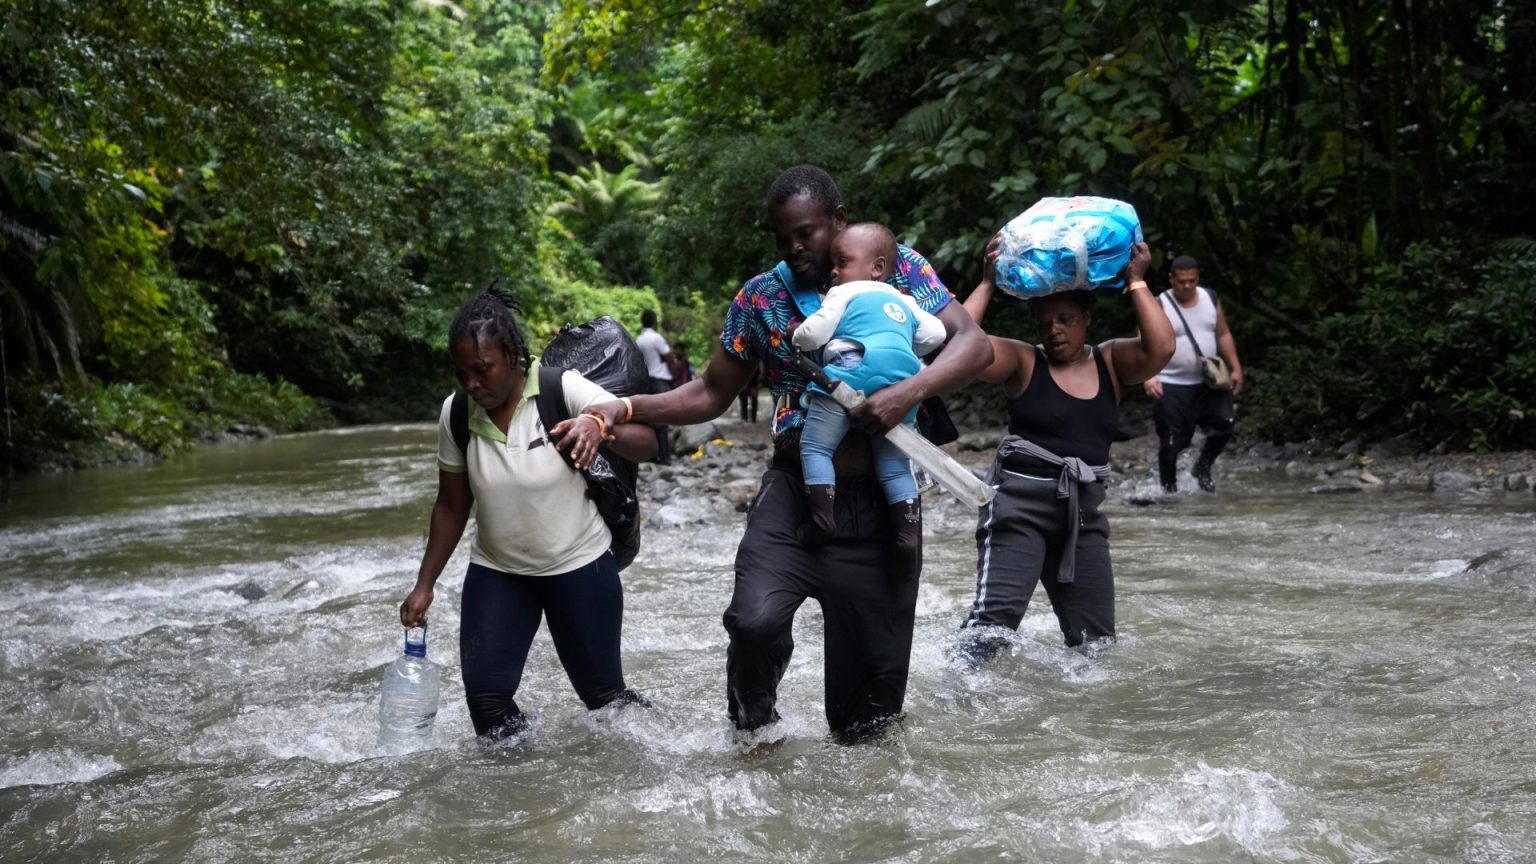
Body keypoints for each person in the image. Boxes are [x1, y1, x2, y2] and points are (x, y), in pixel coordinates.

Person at [582, 165, 992, 741]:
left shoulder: (897, 268)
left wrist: (908, 393)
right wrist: (621, 409)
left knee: (867, 725)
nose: (794, 248)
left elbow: (973, 346)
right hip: (796, 490)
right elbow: (709, 392)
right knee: (752, 621)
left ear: (839, 221)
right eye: (782, 238)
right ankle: (756, 733)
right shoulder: (761, 296)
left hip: (884, 504)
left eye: (806, 233)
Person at [398, 289, 656, 741]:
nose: (472, 384)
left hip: (579, 564)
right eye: (462, 374)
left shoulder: (562, 388)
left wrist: (599, 427)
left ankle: (665, 746)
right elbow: (452, 505)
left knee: (604, 698)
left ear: (515, 356)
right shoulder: (457, 413)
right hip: (499, 571)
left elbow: (649, 441)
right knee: (487, 702)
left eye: (482, 370)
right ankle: (524, 790)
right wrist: (424, 585)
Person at [957, 240, 1174, 660]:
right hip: (1018, 511)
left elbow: (1161, 348)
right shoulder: (1023, 361)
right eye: (1043, 322)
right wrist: (987, 281)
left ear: (1087, 320)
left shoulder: (1110, 361)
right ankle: (957, 696)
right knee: (991, 629)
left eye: (1065, 319)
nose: (1054, 329)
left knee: (1098, 645)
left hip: (1082, 518)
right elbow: (961, 346)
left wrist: (1137, 282)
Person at [791, 222, 946, 580]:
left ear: (875, 268)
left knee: (815, 448)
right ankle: (907, 535)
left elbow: (814, 334)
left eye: (842, 261)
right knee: (893, 466)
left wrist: (796, 336)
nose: (834, 270)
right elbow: (936, 334)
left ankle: (821, 518)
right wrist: (904, 342)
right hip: (901, 385)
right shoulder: (904, 300)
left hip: (853, 370)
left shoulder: (844, 292)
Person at [1144, 255, 1244, 492]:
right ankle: (1168, 490)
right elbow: (1142, 342)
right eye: (1181, 282)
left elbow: (1223, 334)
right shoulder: (1159, 304)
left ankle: (1202, 467)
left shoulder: (1210, 298)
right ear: (1171, 279)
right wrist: (1148, 376)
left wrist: (1236, 367)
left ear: (1197, 277)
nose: (1186, 286)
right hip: (1170, 383)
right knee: (1171, 442)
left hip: (1207, 382)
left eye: (1191, 281)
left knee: (1225, 424)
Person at [635, 309, 675, 464]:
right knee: (663, 419)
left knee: (649, 418)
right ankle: (665, 456)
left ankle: (653, 455)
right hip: (659, 379)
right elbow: (669, 356)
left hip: (647, 381)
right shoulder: (656, 337)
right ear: (654, 321)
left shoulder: (639, 339)